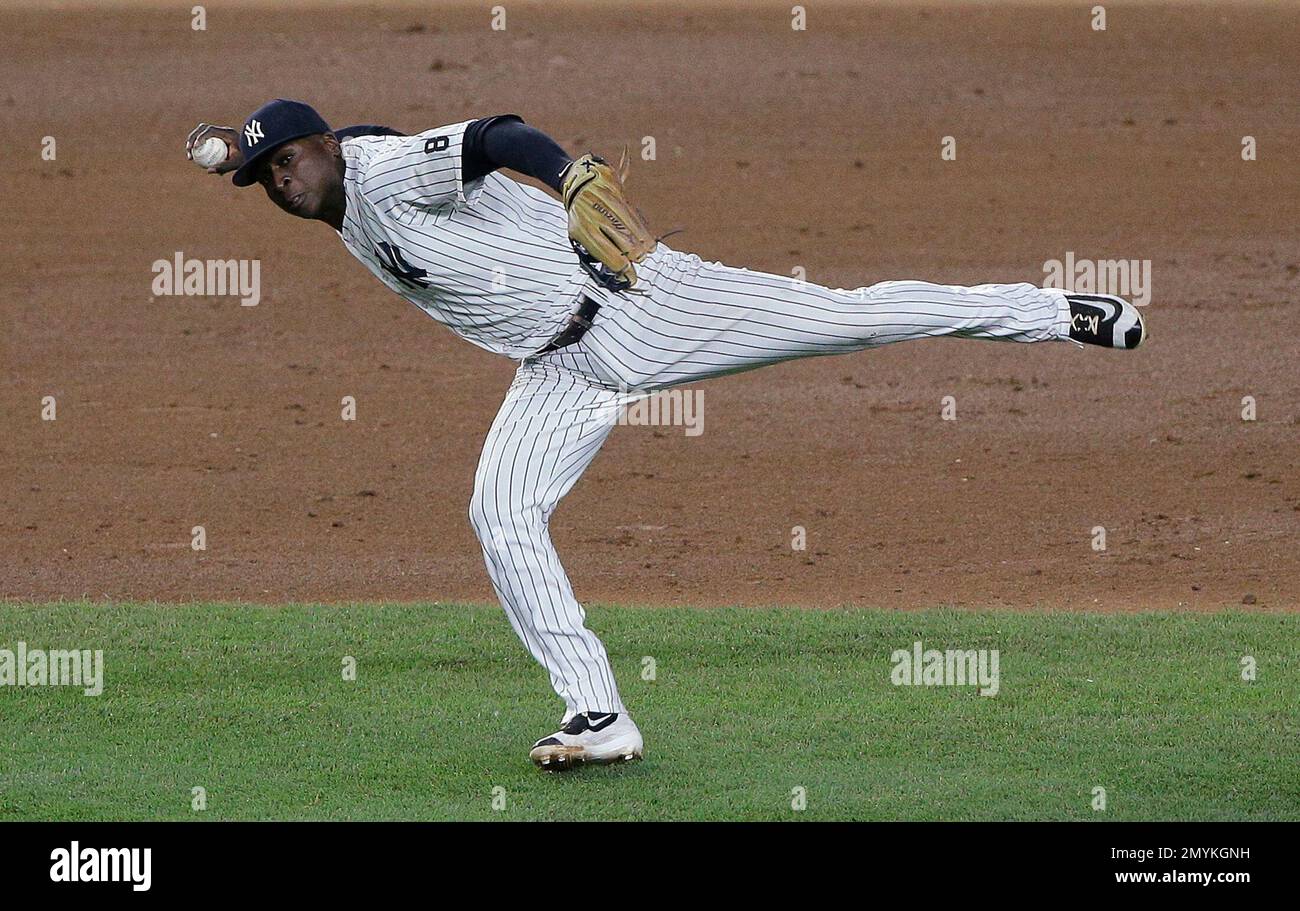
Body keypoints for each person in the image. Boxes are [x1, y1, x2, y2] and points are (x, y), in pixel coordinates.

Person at [187, 98, 1146, 770]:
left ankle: (1052, 309)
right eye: (268, 176)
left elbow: (492, 132)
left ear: (325, 144)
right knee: (500, 510)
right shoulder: (340, 192)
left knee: (855, 315)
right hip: (558, 367)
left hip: (645, 306)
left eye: (290, 160)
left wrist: (567, 179)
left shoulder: (386, 168)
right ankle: (597, 712)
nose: (282, 181)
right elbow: (318, 150)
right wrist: (244, 146)